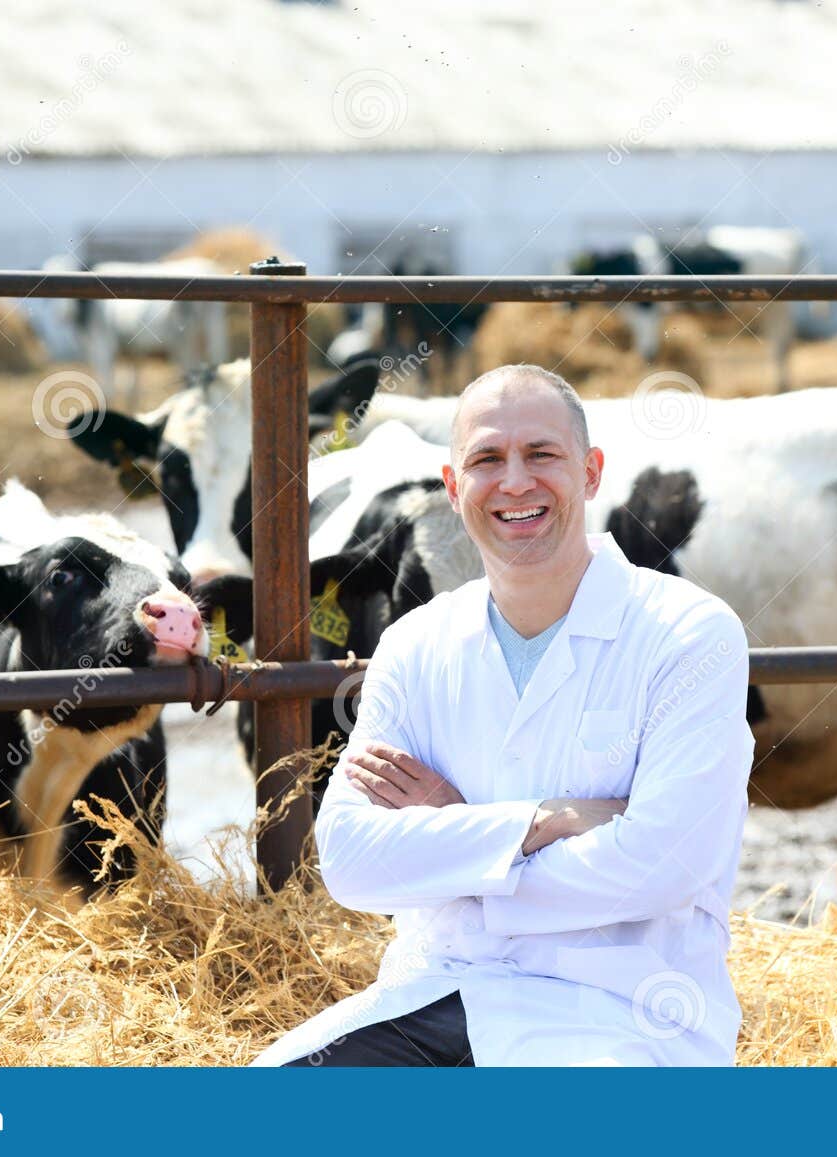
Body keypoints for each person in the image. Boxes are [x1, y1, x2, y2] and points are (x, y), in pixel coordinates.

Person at [253, 364, 753, 1067]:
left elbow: (665, 862)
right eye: (487, 459)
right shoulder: (415, 644)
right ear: (454, 487)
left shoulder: (689, 632)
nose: (515, 482)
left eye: (541, 454)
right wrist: (536, 822)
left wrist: (456, 853)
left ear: (591, 471)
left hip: (620, 1015)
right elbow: (350, 861)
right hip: (435, 995)